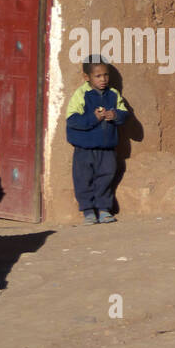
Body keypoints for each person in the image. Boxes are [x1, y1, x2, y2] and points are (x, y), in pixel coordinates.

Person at [65, 55, 129, 224]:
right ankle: (87, 210)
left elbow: (124, 114)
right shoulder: (81, 94)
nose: (103, 79)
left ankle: (103, 209)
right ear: (87, 77)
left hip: (107, 148)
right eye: (98, 76)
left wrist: (115, 115)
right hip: (84, 149)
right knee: (83, 178)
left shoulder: (113, 95)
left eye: (106, 75)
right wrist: (93, 118)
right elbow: (72, 120)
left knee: (106, 176)